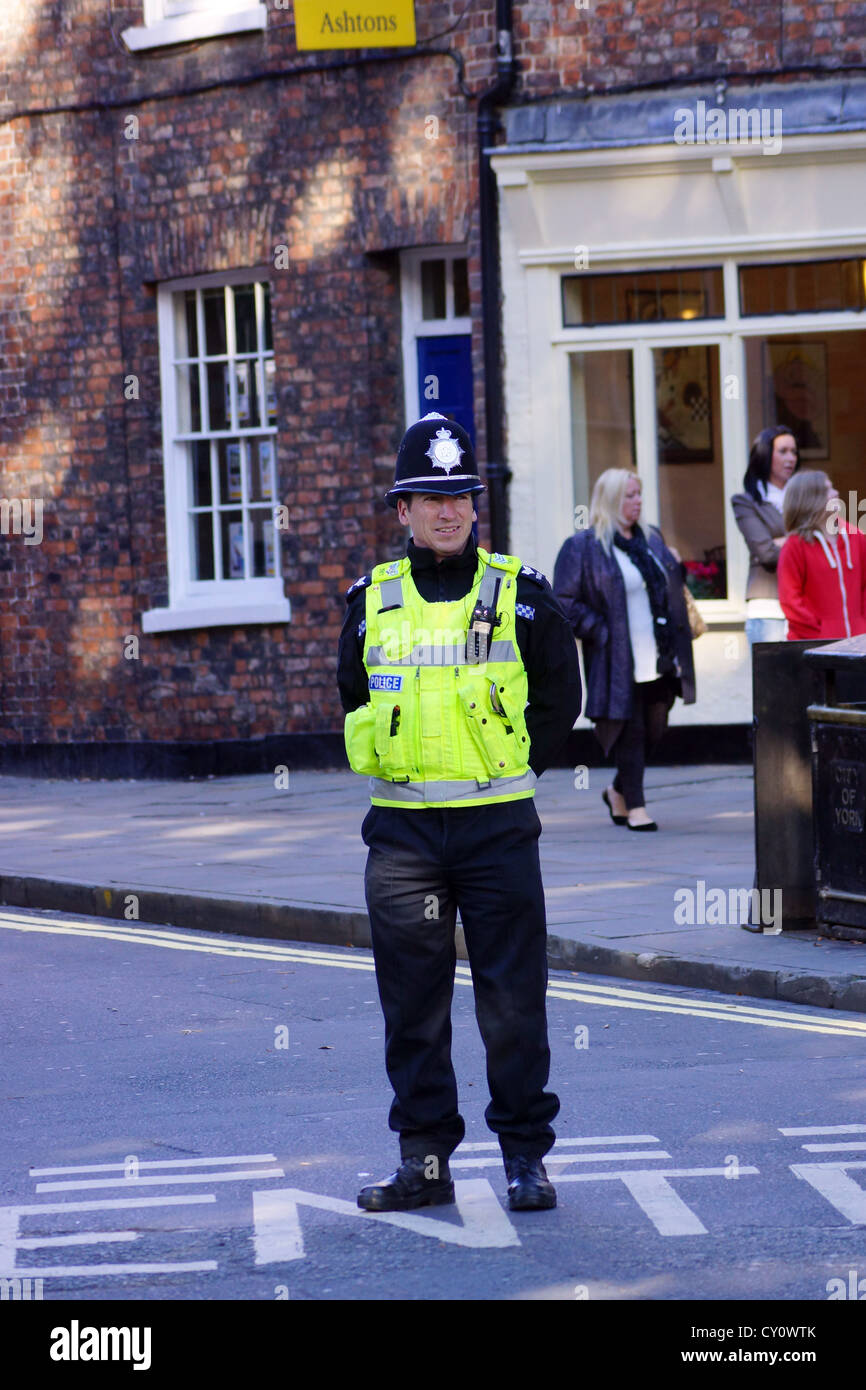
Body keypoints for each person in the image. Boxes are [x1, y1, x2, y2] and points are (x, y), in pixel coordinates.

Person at [337, 412, 581, 1214]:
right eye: (429, 497)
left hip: (497, 825)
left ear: (477, 506)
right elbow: (353, 695)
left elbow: (559, 699)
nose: (447, 509)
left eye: (460, 495)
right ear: (401, 509)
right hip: (403, 834)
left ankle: (524, 1161)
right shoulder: (370, 601)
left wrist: (507, 770)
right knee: (413, 1008)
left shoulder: (522, 597)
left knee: (514, 1003)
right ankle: (425, 1164)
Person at [553, 469, 695, 832]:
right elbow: (564, 603)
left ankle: (617, 790)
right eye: (630, 495)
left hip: (659, 656)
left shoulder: (651, 539)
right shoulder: (584, 547)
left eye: (639, 494)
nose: (638, 502)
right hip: (616, 660)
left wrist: (677, 567)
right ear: (611, 498)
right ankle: (636, 807)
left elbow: (669, 587)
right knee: (629, 732)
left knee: (657, 727)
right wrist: (600, 630)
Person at [730, 427, 800, 644]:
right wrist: (801, 540)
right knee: (772, 678)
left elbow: (821, 543)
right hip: (770, 607)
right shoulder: (746, 501)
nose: (791, 458)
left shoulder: (802, 497)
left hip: (803, 605)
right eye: (783, 451)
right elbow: (766, 553)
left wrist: (781, 541)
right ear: (764, 455)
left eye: (794, 452)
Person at [778, 470, 866, 640]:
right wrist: (820, 635)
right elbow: (790, 601)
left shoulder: (856, 537)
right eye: (828, 490)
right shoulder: (795, 546)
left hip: (858, 646)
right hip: (815, 649)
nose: (836, 493)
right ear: (811, 498)